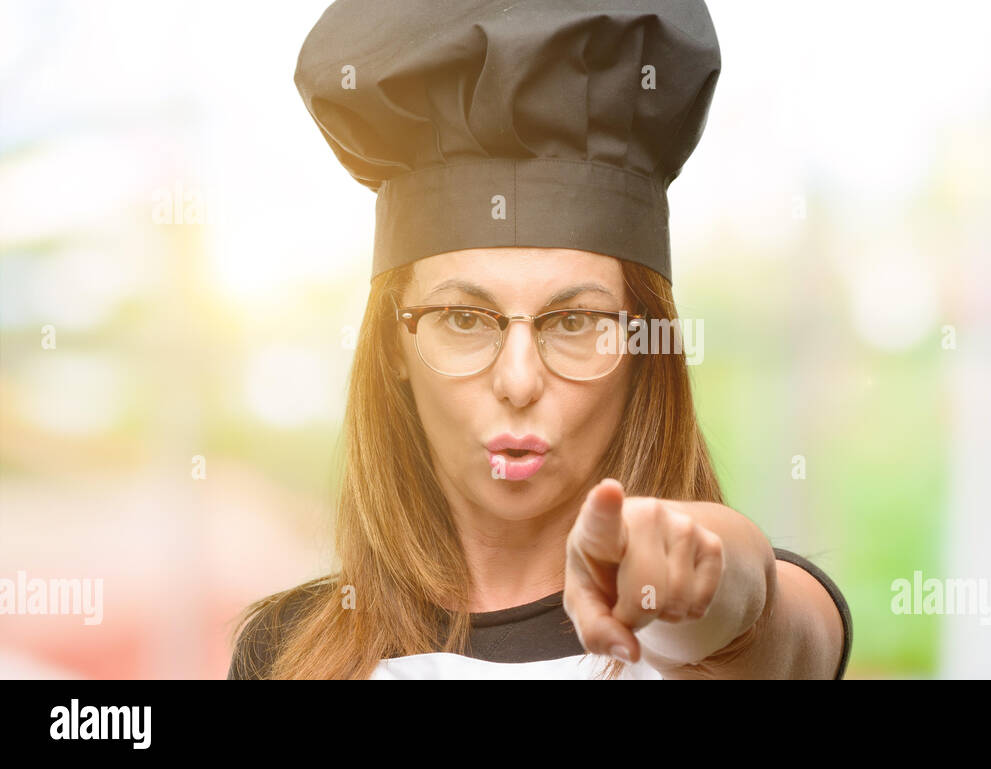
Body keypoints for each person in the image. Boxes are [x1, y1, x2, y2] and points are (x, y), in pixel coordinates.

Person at [228, 0, 852, 680]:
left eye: (574, 321)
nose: (519, 380)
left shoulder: (735, 631)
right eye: (464, 318)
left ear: (645, 350)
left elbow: (751, 611)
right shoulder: (286, 651)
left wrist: (693, 573)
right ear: (392, 348)